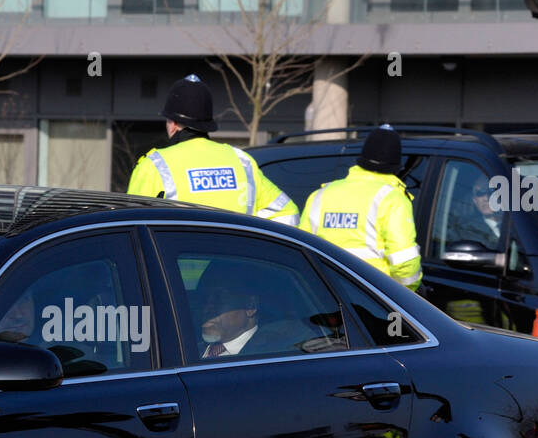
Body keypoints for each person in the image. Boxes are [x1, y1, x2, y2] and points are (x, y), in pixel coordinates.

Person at [126, 74, 297, 222]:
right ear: (206, 124)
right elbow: (287, 212)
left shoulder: (154, 165)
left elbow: (129, 226)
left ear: (174, 124)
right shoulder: (241, 161)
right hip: (233, 259)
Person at [298, 125, 422, 291]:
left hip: (323, 298)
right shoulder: (392, 199)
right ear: (395, 165)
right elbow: (405, 264)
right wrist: (407, 297)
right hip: (371, 300)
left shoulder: (320, 195)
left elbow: (301, 252)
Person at [195, 261, 309, 359]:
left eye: (219, 298)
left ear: (250, 306)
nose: (208, 306)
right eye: (204, 299)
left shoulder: (278, 353)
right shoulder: (187, 350)